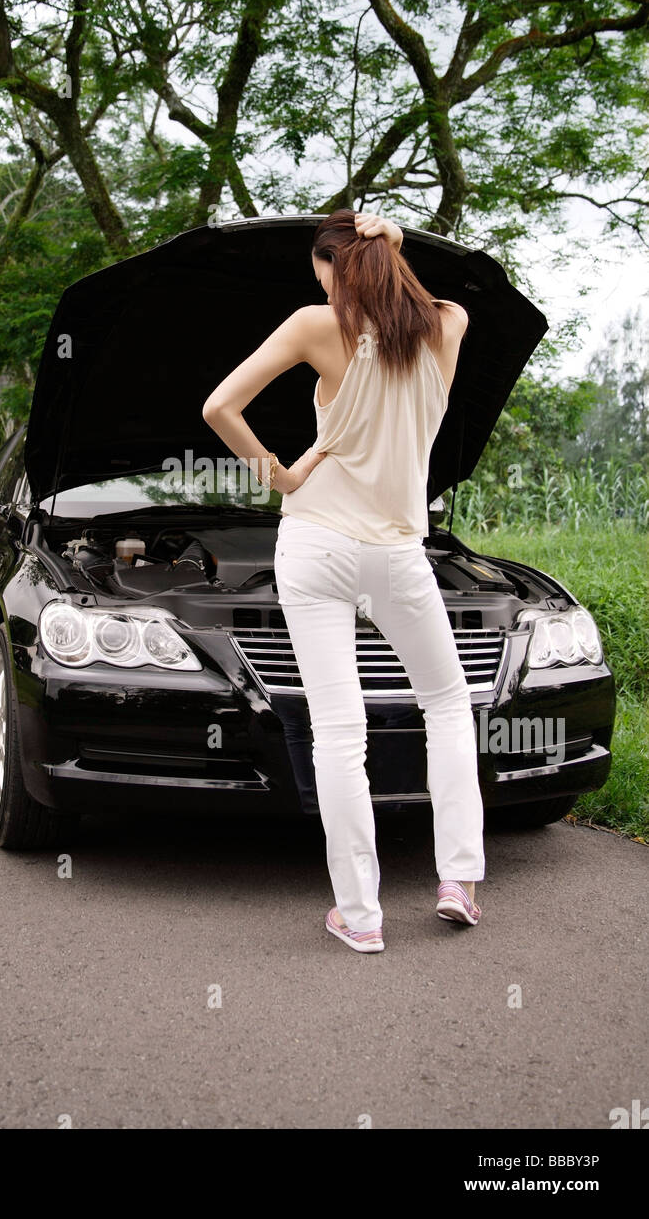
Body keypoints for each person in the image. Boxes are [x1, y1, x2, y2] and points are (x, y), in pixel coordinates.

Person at [201, 209, 485, 954]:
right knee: (448, 704)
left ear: (338, 270)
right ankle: (457, 880)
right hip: (397, 553)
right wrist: (392, 244)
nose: (324, 289)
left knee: (337, 732)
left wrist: (282, 476)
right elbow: (429, 302)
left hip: (317, 543)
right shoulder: (447, 326)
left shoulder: (313, 325)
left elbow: (218, 407)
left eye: (325, 274)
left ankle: (360, 916)